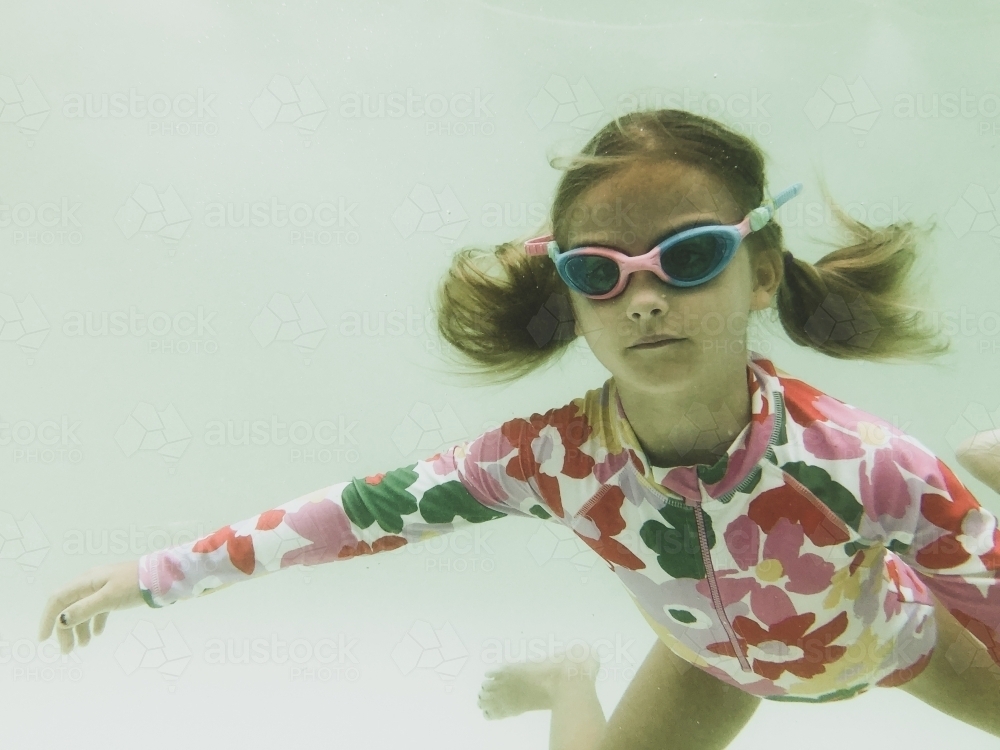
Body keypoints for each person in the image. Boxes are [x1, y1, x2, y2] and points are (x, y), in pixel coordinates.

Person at [38, 110, 1000, 748]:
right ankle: (566, 680)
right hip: (708, 661)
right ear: (573, 297)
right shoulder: (552, 460)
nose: (647, 298)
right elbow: (356, 516)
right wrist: (152, 577)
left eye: (691, 255)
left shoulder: (864, 464)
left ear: (763, 269)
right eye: (601, 272)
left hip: (899, 641)